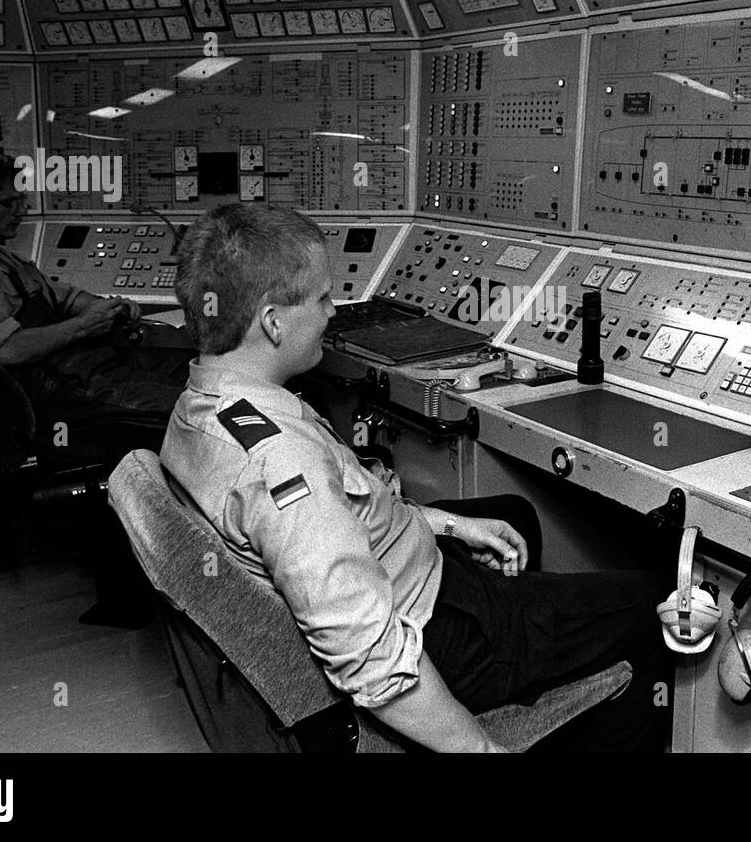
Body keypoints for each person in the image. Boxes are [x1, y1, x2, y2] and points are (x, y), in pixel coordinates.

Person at [162, 202, 671, 752]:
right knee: (657, 602)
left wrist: (446, 524)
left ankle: (539, 650)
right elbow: (367, 650)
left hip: (409, 577)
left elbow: (342, 512)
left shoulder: (202, 408)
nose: (334, 312)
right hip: (439, 630)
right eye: (321, 298)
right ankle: (533, 664)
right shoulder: (281, 460)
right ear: (272, 321)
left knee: (515, 515)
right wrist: (480, 749)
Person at [0, 148, 193, 440]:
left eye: (21, 200)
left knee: (204, 369)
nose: (20, 211)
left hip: (86, 368)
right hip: (61, 391)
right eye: (8, 202)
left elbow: (64, 297)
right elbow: (6, 350)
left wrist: (109, 308)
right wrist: (83, 326)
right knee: (197, 410)